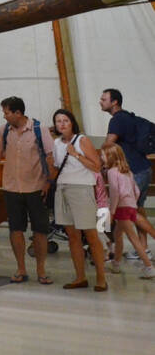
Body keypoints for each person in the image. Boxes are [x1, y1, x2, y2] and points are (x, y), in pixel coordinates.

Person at [0, 96, 53, 285]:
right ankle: (21, 268)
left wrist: (48, 182)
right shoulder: (3, 131)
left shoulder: (39, 129)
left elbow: (50, 156)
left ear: (18, 113)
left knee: (40, 230)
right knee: (15, 229)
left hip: (36, 188)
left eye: (7, 112)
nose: (4, 116)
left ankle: (41, 270)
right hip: (11, 188)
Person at [49, 108, 108, 291]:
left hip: (81, 189)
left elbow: (97, 166)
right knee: (72, 236)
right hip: (63, 189)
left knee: (91, 234)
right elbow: (56, 166)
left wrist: (75, 154)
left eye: (65, 120)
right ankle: (80, 277)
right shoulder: (57, 143)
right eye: (58, 121)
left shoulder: (81, 140)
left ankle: (101, 278)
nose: (62, 124)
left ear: (72, 122)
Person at [101, 146, 155, 278]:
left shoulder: (112, 172)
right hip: (131, 207)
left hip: (121, 208)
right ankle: (116, 263)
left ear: (110, 156)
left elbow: (115, 193)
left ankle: (149, 267)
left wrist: (112, 210)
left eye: (103, 155)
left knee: (132, 238)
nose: (101, 158)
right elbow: (136, 191)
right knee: (117, 235)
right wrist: (131, 203)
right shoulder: (127, 172)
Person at [100, 88, 152, 214]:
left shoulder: (117, 120)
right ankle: (140, 235)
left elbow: (108, 145)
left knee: (123, 212)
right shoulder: (128, 116)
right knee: (137, 210)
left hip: (133, 172)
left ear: (114, 102)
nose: (100, 102)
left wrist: (99, 165)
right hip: (144, 169)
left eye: (103, 99)